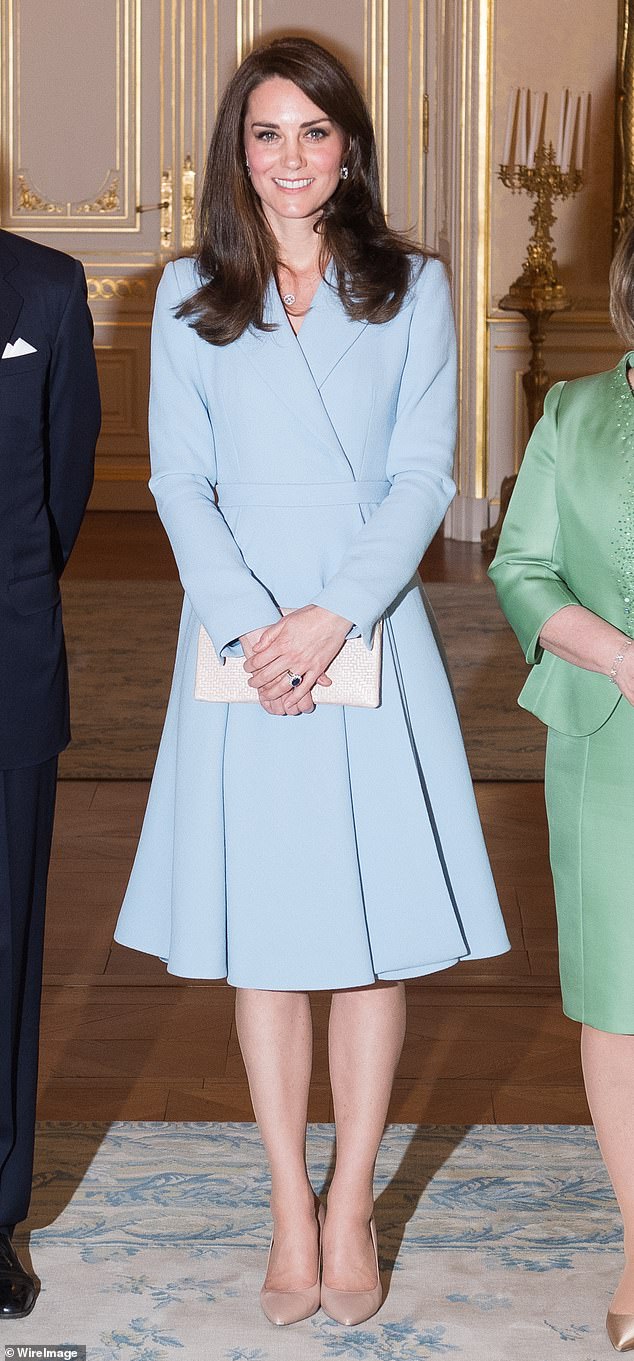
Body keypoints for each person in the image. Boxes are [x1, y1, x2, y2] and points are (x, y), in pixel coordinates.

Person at [114, 36, 509, 1327]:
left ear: (349, 149)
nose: (289, 159)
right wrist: (251, 632)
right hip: (241, 658)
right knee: (269, 949)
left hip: (364, 640)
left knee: (368, 945)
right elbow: (178, 482)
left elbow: (417, 477)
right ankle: (289, 1201)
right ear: (239, 150)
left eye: (314, 133)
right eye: (266, 134)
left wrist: (332, 618)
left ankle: (352, 1215)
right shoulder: (186, 295)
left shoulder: (415, 291)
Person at [489, 222, 634, 1354]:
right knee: (619, 1005)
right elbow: (521, 565)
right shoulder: (574, 415)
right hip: (608, 736)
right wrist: (624, 656)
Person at [0, 229, 100, 1317]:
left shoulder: (45, 287)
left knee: (3, 948)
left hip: (4, 664)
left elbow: (61, 482)